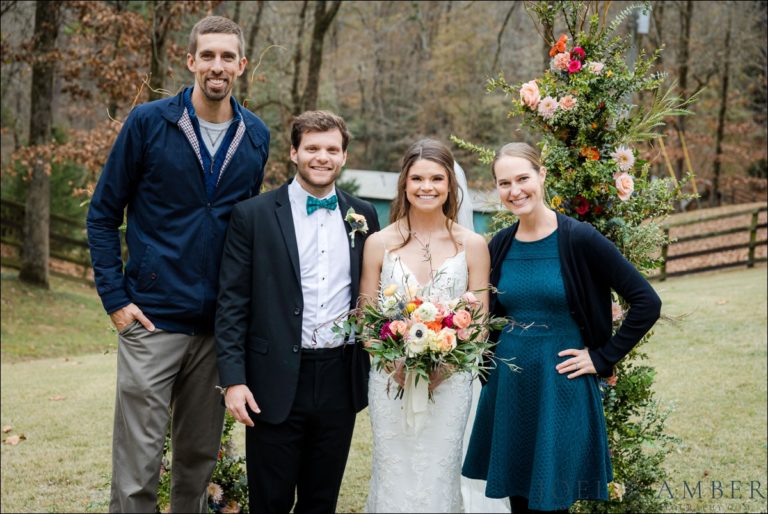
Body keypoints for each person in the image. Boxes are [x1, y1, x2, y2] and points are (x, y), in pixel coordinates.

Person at [86, 16, 269, 513]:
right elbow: (103, 213)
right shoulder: (149, 122)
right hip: (152, 317)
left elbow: (245, 229)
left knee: (197, 458)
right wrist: (116, 299)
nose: (217, 65)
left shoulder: (255, 136)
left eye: (227, 56)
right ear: (190, 61)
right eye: (207, 55)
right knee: (138, 462)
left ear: (241, 65)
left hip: (216, 328)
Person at [462, 143, 662, 513]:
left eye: (523, 178)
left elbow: (647, 301)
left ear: (542, 175)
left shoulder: (578, 238)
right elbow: (489, 315)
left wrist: (603, 357)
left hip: (559, 388)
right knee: (518, 502)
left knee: (552, 503)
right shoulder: (501, 244)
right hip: (510, 390)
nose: (515, 190)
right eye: (504, 183)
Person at [215, 110, 380, 514]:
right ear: (293, 152)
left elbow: (373, 295)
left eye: (331, 150)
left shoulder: (364, 216)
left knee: (320, 501)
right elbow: (232, 303)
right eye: (312, 148)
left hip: (341, 377)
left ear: (342, 157)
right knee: (269, 501)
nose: (321, 157)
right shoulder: (252, 215)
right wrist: (234, 380)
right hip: (272, 380)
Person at [359, 138, 491, 512]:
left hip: (451, 384)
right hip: (389, 383)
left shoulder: (473, 245)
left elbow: (478, 324)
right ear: (404, 183)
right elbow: (367, 321)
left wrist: (444, 368)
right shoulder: (379, 244)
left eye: (436, 178)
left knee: (438, 475)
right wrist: (393, 365)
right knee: (393, 476)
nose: (426, 187)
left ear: (451, 184)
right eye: (417, 178)